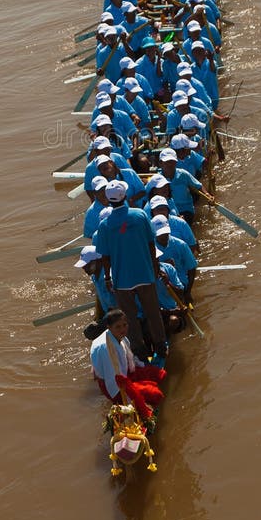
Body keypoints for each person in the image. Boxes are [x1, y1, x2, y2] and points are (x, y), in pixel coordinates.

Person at [95, 180, 168, 364]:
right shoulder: (140, 215)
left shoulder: (104, 225)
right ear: (125, 196)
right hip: (144, 273)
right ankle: (161, 345)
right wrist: (155, 266)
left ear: (109, 200)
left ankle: (139, 350)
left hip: (122, 279)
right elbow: (151, 243)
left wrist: (107, 277)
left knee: (130, 318)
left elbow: (105, 256)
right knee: (153, 312)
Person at [89, 309, 166, 420]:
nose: (123, 329)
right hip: (113, 384)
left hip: (122, 373)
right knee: (155, 394)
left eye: (124, 325)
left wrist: (143, 368)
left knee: (158, 374)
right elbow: (114, 381)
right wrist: (132, 402)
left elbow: (130, 358)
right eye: (118, 327)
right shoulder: (107, 348)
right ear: (109, 327)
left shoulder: (119, 337)